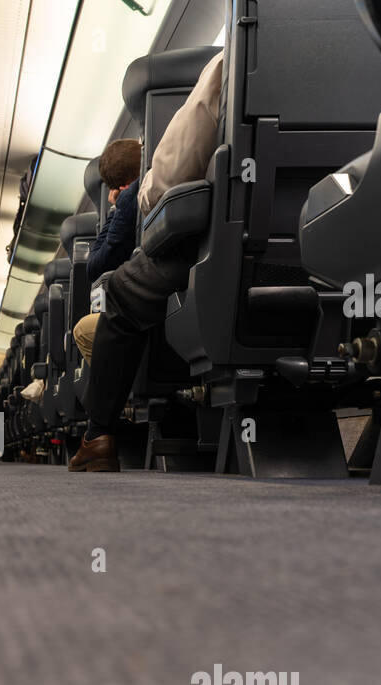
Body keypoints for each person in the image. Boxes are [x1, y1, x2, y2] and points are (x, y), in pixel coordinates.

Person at [68, 51, 224, 473]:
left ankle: (98, 434)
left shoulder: (228, 66)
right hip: (321, 253)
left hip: (210, 254)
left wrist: (134, 200)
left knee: (119, 291)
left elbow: (170, 176)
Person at [72, 139, 143, 363]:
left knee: (82, 330)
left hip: (143, 304)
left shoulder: (130, 197)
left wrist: (115, 209)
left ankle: (119, 398)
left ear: (121, 187)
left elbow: (96, 266)